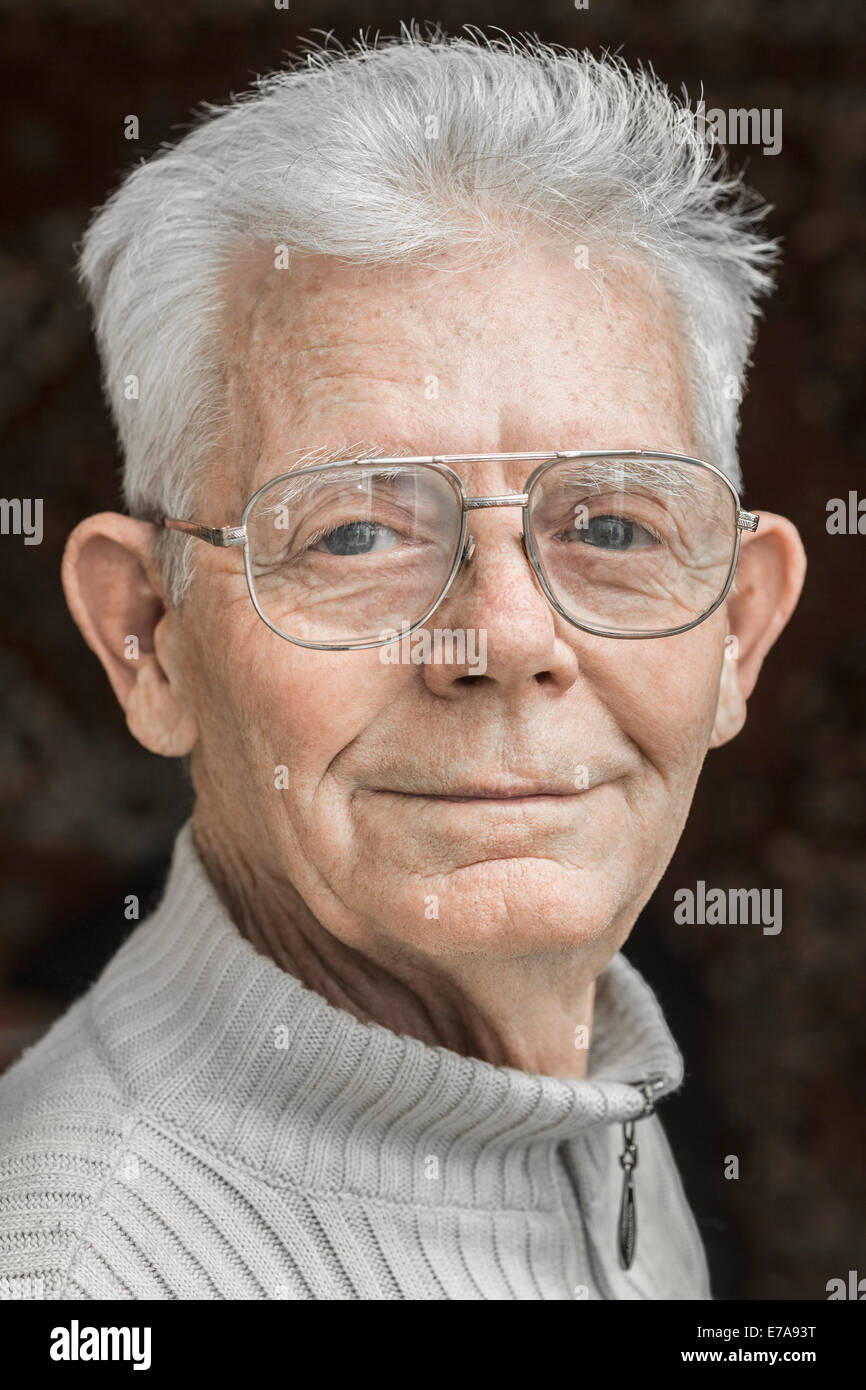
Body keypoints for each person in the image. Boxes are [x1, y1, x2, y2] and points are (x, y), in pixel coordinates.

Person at [0, 29, 805, 1300]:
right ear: (148, 637)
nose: (505, 641)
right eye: (357, 532)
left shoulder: (591, 1093)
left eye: (610, 527)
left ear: (736, 633)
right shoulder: (81, 1279)